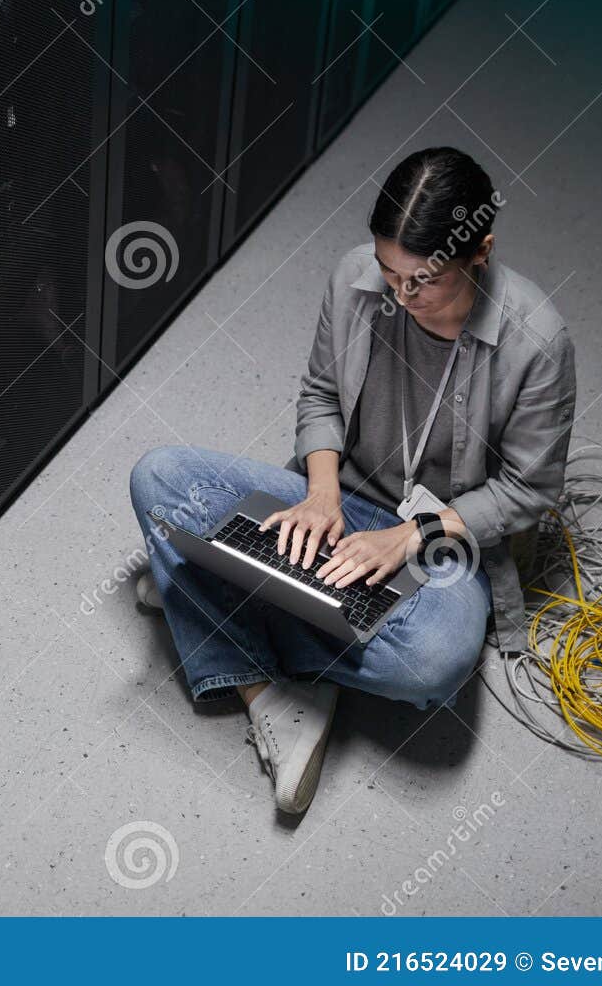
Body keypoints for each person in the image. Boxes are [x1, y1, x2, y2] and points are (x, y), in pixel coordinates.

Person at [128, 147, 576, 814]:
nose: (400, 295)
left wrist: (406, 537)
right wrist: (321, 490)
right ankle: (274, 695)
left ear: (479, 250)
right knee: (158, 479)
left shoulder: (537, 344)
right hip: (342, 499)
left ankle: (209, 596)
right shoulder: (354, 277)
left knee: (436, 661)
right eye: (389, 272)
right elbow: (319, 396)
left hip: (440, 539)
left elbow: (526, 490)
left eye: (422, 281)